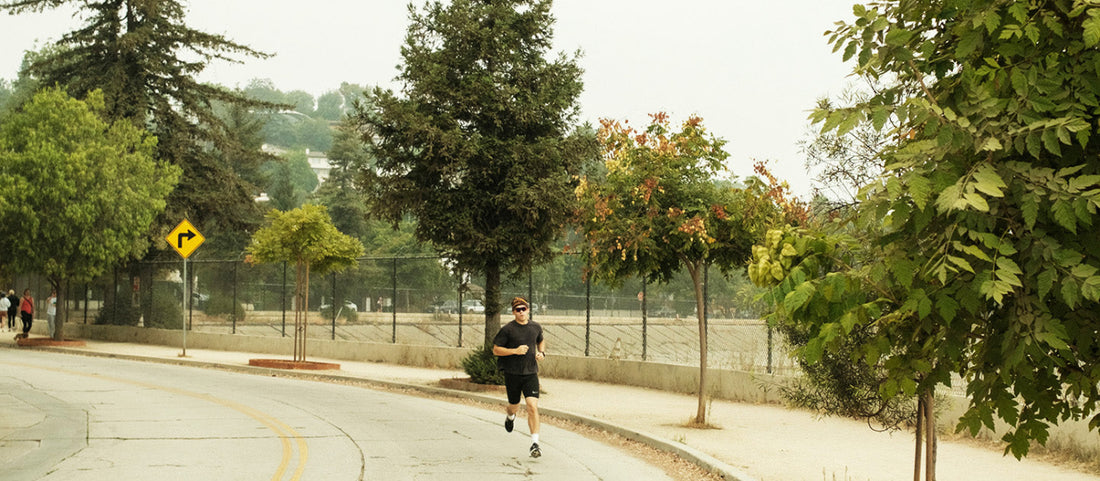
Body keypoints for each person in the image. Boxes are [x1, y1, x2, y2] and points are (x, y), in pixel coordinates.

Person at [492, 296, 546, 458]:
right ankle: (510, 417)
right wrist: (514, 351)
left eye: (523, 309)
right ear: (513, 312)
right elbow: (496, 350)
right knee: (513, 405)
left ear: (528, 310)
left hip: (530, 373)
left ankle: (535, 444)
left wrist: (541, 352)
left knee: (532, 406)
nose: (521, 312)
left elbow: (541, 341)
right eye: (518, 310)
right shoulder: (508, 329)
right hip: (513, 374)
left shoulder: (535, 327)